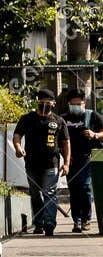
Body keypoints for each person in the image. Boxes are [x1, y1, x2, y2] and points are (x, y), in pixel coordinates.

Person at [10, 90, 70, 237]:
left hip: (52, 164)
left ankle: (49, 225)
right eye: (42, 101)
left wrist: (67, 162)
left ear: (53, 104)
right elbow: (17, 135)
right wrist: (18, 148)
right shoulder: (27, 118)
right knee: (35, 195)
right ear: (38, 102)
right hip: (31, 164)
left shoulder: (58, 121)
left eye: (48, 102)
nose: (45, 104)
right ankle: (39, 223)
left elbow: (66, 142)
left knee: (50, 194)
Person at [61, 89, 103, 233]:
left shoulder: (92, 115)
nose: (76, 106)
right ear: (68, 104)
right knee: (74, 189)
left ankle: (87, 218)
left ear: (84, 103)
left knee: (85, 188)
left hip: (87, 158)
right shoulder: (63, 118)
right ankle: (77, 221)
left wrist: (94, 134)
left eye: (79, 104)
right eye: (73, 104)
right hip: (70, 160)